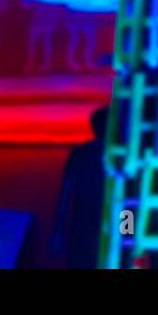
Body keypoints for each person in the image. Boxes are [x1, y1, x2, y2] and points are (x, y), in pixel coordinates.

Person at [50, 106, 108, 268]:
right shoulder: (118, 156)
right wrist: (127, 233)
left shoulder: (80, 153)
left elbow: (66, 195)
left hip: (82, 227)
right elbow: (128, 203)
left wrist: (58, 233)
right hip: (101, 227)